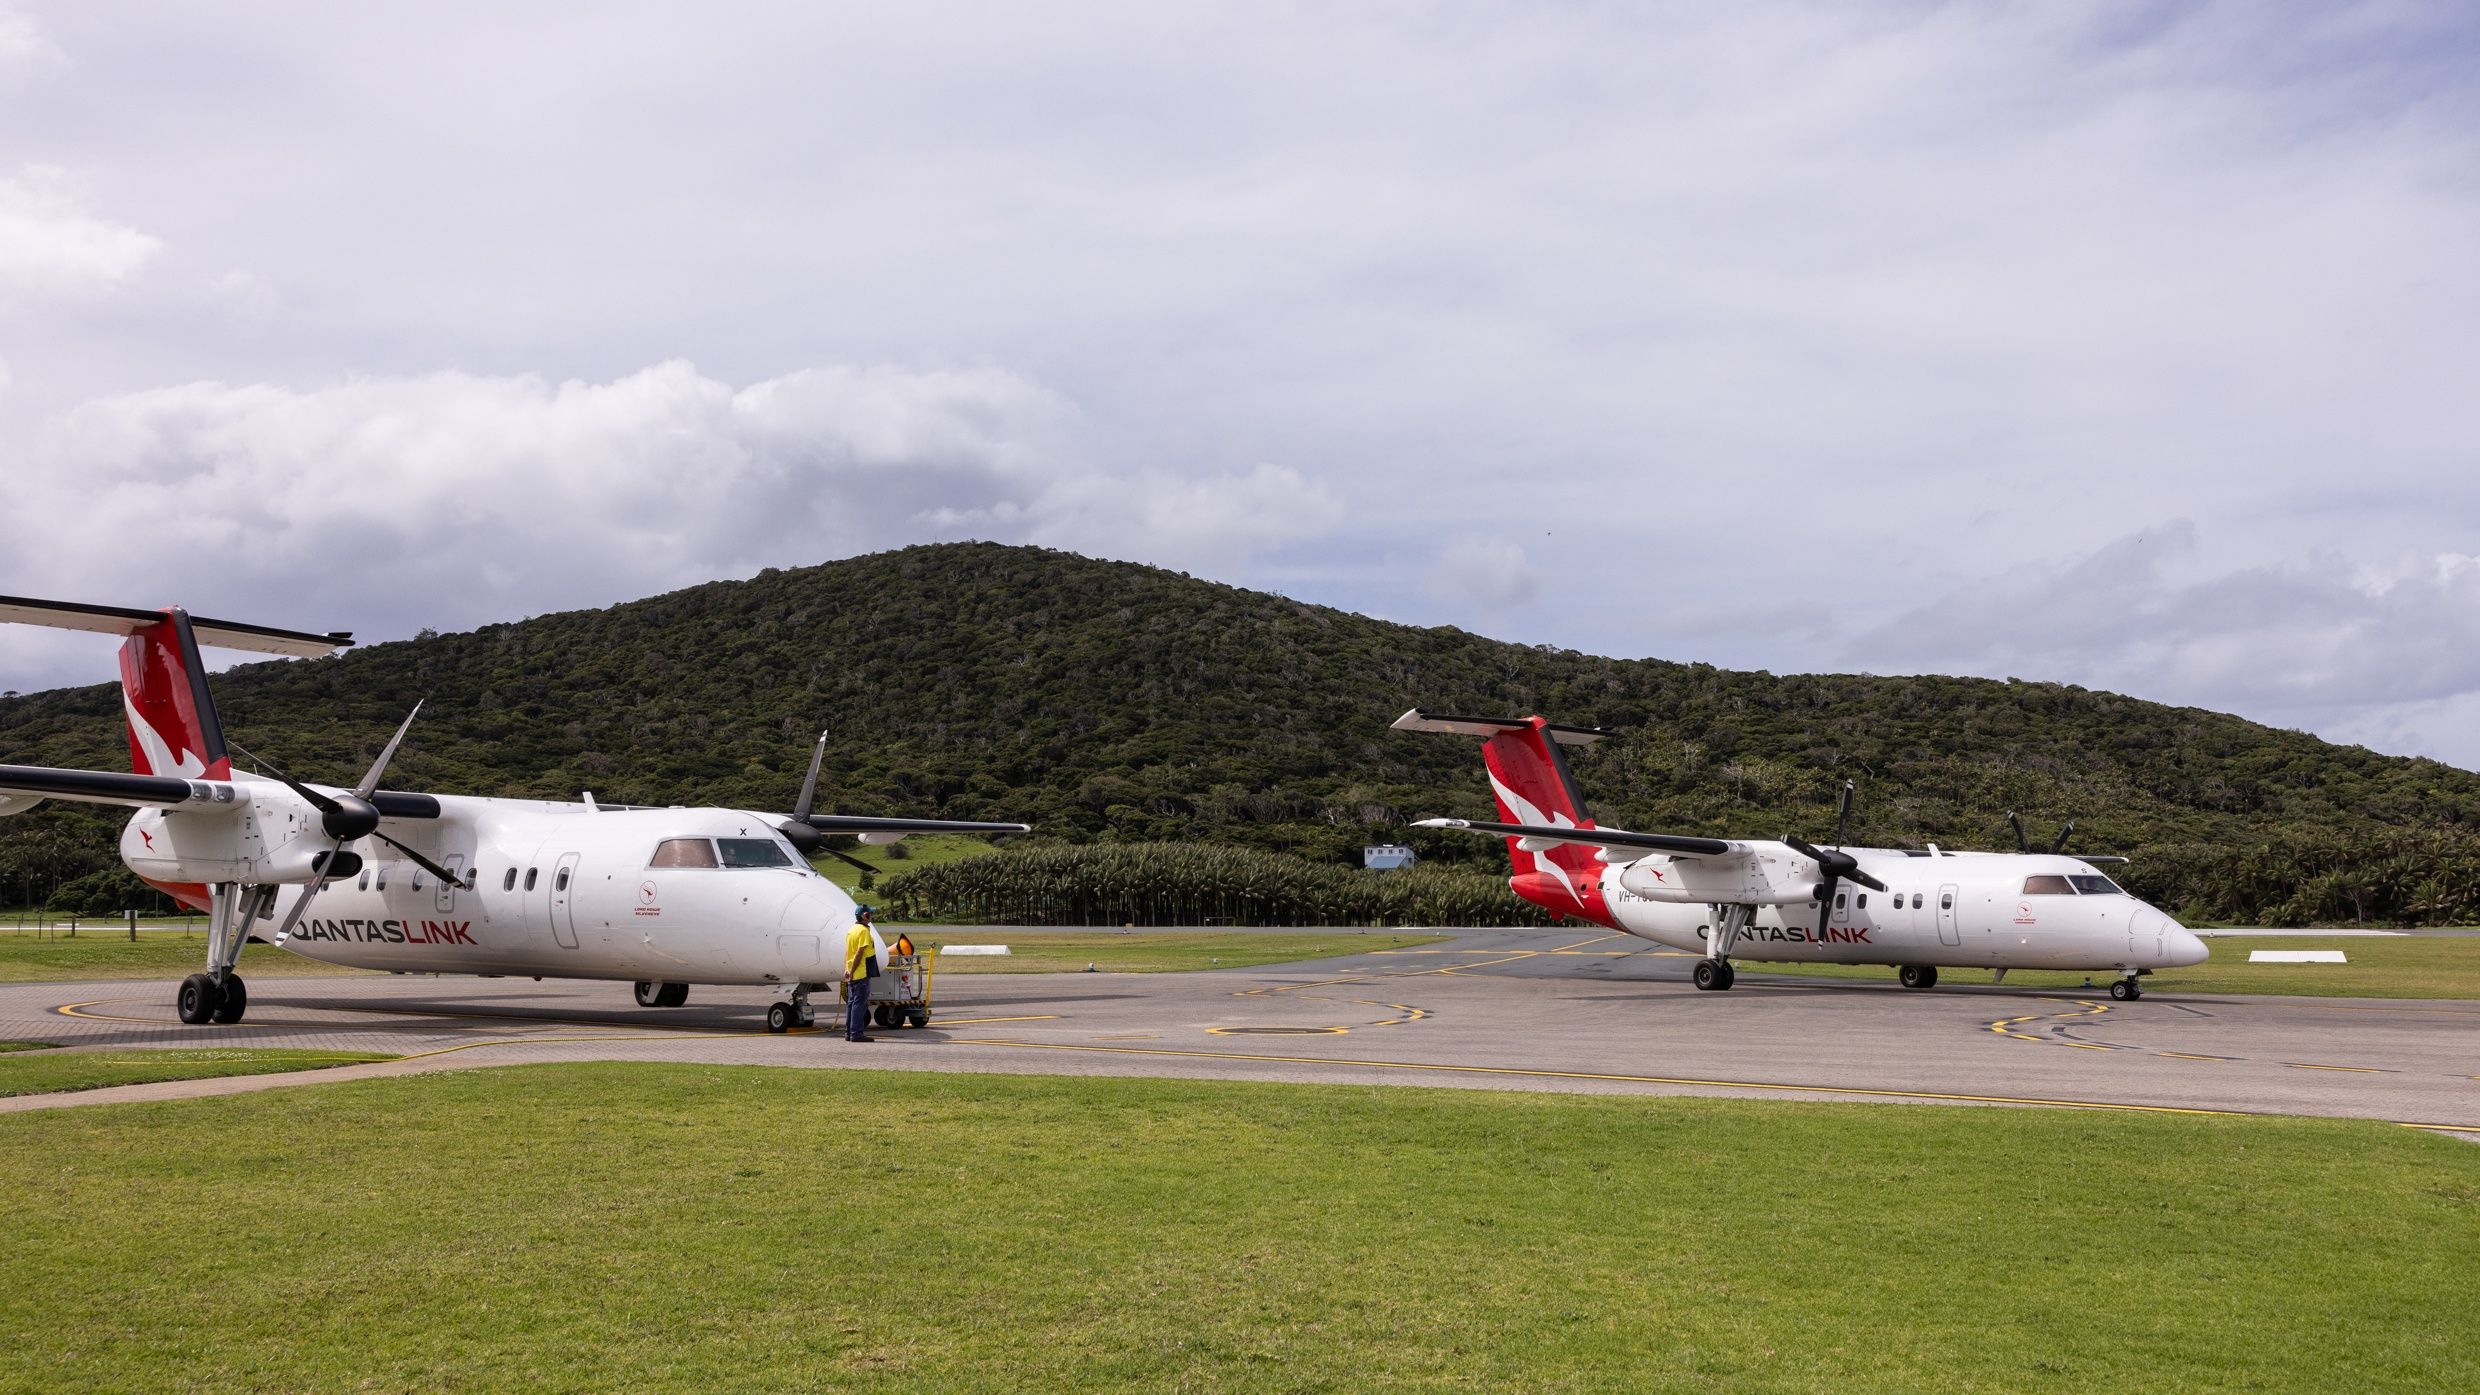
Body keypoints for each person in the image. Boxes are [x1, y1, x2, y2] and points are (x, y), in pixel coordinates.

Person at [844, 907, 881, 1042]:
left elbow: (848, 952)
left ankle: (849, 1033)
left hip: (852, 973)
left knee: (851, 1003)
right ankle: (856, 1034)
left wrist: (847, 969)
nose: (871, 916)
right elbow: (859, 953)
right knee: (859, 1004)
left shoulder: (851, 930)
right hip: (861, 972)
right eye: (869, 914)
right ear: (865, 916)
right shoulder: (863, 931)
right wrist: (853, 970)